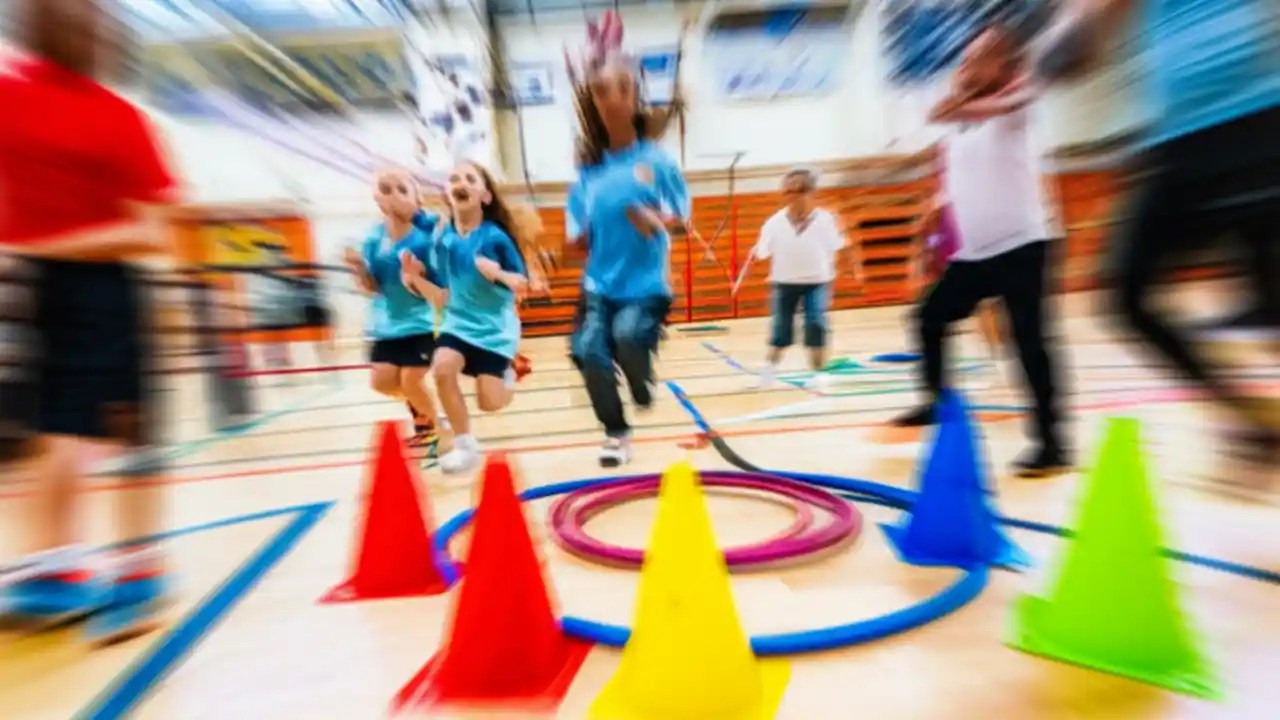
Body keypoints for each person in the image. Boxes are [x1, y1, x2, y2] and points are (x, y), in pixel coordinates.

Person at [0, 0, 182, 643]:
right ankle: (53, 570)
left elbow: (153, 232)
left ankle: (139, 572)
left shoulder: (119, 118)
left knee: (126, 429)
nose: (86, 26)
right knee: (50, 429)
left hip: (99, 290)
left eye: (92, 18)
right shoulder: (9, 96)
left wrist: (43, 246)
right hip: (32, 290)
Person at [1037, 0, 1279, 467]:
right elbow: (1072, 53)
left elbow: (1074, 47)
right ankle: (1249, 420)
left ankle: (1251, 420)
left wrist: (1072, 31)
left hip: (1258, 128)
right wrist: (1067, 32)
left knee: (1265, 310)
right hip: (1182, 143)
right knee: (1126, 298)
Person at [891, 27, 1070, 478]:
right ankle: (933, 401)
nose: (965, 68)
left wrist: (967, 96)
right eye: (964, 60)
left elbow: (973, 107)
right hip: (975, 254)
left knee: (1029, 342)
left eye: (978, 59)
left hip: (1025, 244)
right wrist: (935, 213)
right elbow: (940, 120)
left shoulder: (1018, 103)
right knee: (928, 318)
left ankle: (1053, 444)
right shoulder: (961, 124)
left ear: (1006, 65)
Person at [565, 53, 691, 468]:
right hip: (599, 285)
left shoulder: (656, 161)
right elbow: (576, 238)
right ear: (593, 103)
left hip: (646, 286)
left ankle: (641, 382)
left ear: (636, 96)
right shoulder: (587, 175)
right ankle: (616, 432)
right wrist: (579, 239)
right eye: (601, 91)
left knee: (628, 336)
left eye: (622, 88)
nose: (612, 98)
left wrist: (657, 220)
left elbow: (683, 220)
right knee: (586, 349)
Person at [400, 161, 531, 474]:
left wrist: (497, 272)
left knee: (491, 402)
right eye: (454, 178)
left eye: (469, 179)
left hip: (494, 330)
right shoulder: (441, 231)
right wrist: (415, 276)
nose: (460, 182)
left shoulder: (495, 238)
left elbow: (521, 283)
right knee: (442, 369)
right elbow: (414, 213)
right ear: (448, 192)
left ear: (484, 196)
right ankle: (465, 446)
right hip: (457, 323)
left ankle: (511, 375)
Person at [342, 168, 442, 452]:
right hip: (385, 324)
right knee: (382, 382)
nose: (393, 196)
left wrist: (417, 277)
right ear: (377, 198)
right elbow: (372, 287)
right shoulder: (373, 238)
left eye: (401, 189)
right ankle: (422, 405)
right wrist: (358, 268)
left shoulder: (425, 239)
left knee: (411, 380)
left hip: (422, 322)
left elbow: (439, 284)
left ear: (417, 199)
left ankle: (441, 428)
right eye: (386, 189)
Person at [751, 166, 864, 388]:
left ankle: (818, 373)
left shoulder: (825, 220)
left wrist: (855, 269)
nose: (794, 196)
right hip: (784, 283)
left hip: (817, 282)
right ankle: (768, 371)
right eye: (789, 191)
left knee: (816, 324)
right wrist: (756, 255)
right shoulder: (773, 223)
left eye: (800, 190)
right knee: (781, 329)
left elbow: (842, 245)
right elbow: (762, 251)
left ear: (810, 191)